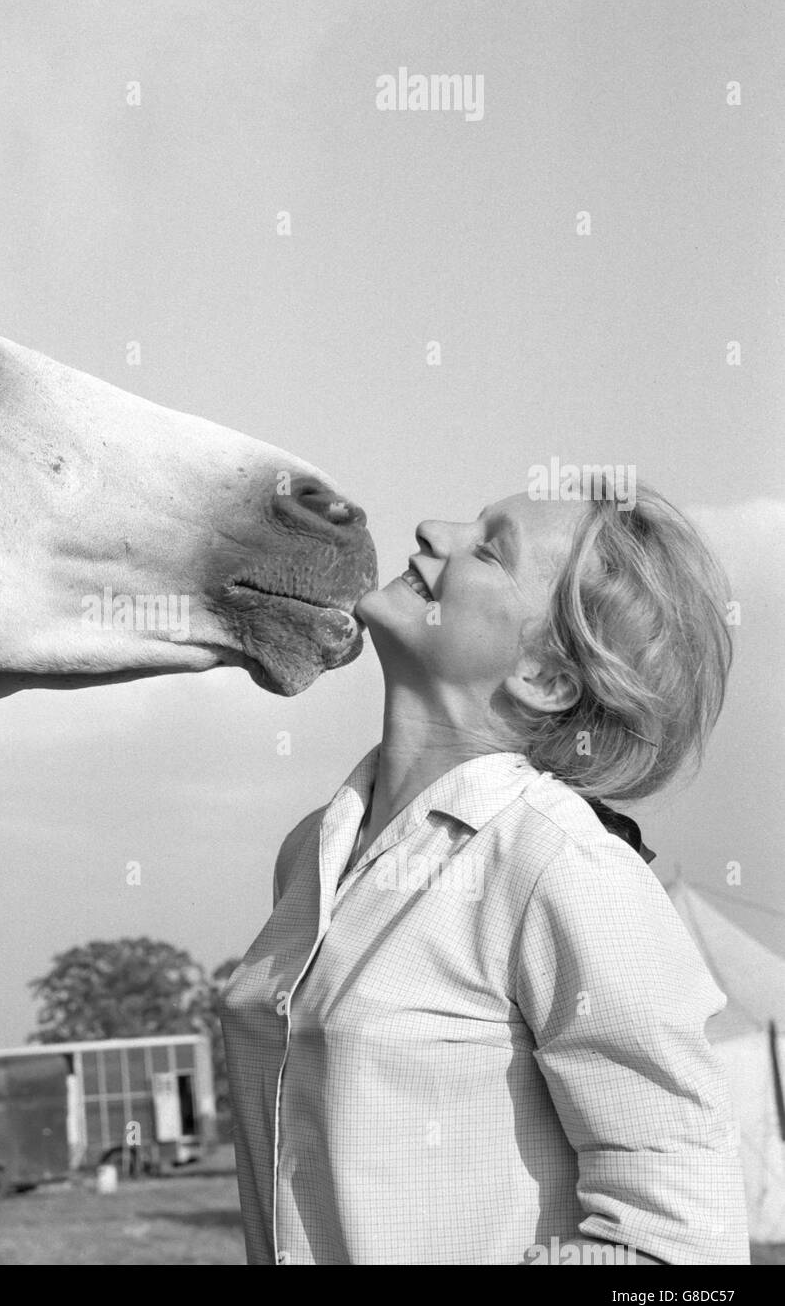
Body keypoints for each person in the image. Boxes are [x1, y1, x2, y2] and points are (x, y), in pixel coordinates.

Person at [220, 477, 748, 1264]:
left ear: (544, 678)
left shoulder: (565, 867)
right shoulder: (309, 849)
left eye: (491, 548)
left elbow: (685, 1257)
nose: (432, 526)